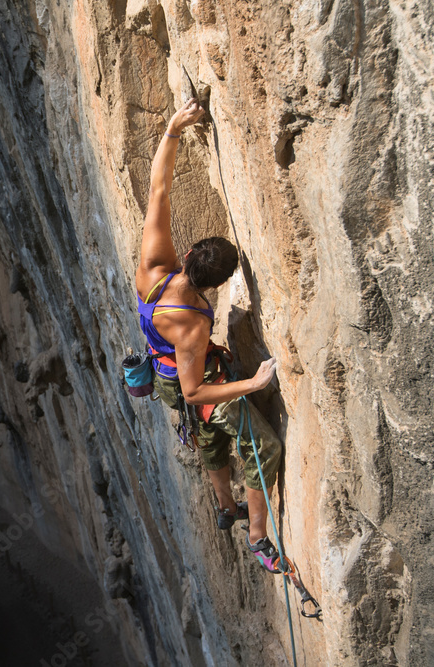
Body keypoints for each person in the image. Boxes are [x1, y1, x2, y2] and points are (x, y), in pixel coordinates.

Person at [135, 98, 285, 573]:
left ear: (188, 255)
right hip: (186, 378)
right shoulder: (195, 324)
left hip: (164, 377)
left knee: (206, 436)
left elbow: (159, 191)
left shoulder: (154, 269)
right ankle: (259, 537)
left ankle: (226, 506)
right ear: (215, 286)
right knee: (264, 448)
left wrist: (173, 127)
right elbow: (197, 388)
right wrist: (253, 384)